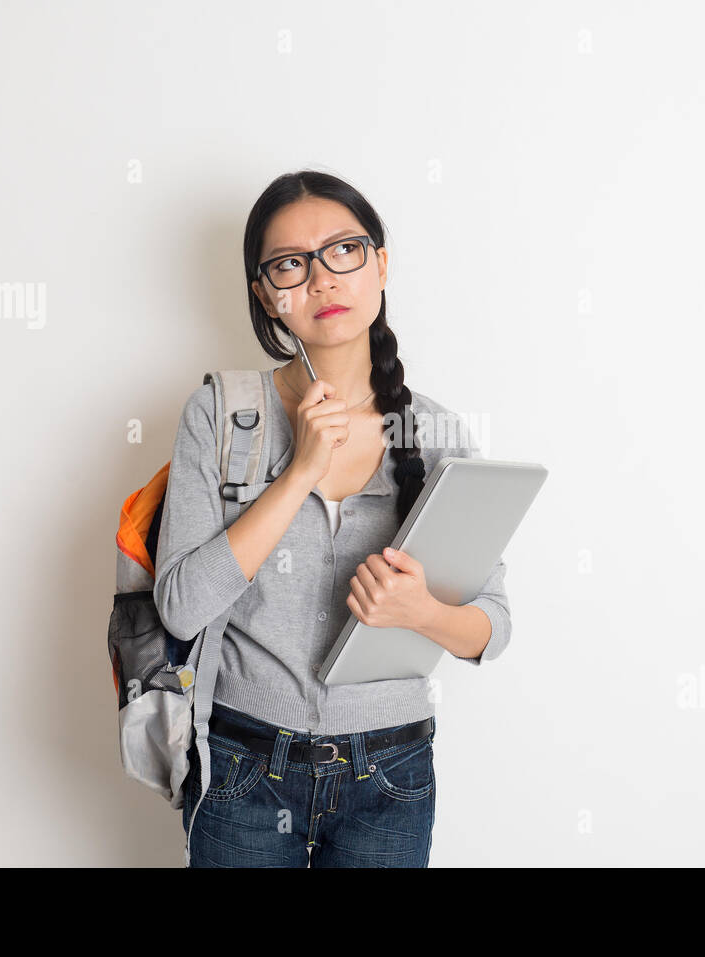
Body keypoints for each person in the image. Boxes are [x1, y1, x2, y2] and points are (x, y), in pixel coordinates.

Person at [153, 169, 512, 867]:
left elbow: (492, 629)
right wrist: (300, 473)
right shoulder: (221, 415)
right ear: (266, 293)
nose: (322, 280)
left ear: (380, 263)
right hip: (244, 768)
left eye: (344, 251)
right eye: (291, 263)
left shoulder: (436, 435)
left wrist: (420, 609)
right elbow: (181, 608)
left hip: (392, 775)